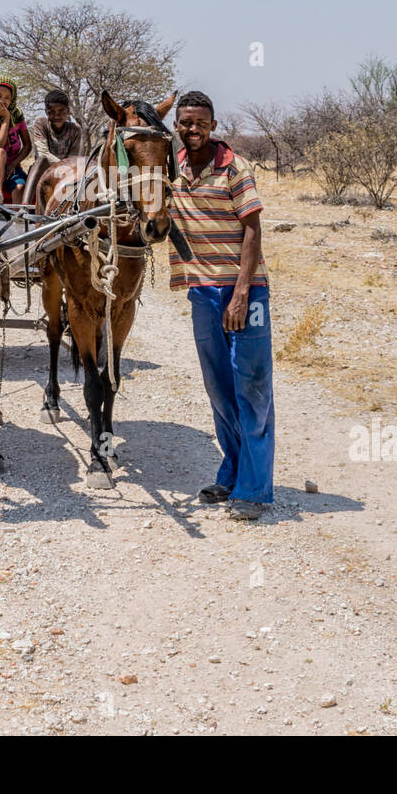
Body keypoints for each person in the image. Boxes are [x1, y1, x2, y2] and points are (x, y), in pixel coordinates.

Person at [167, 89, 275, 520]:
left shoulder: (235, 169)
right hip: (202, 292)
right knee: (219, 389)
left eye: (199, 122)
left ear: (212, 126)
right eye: (184, 122)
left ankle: (254, 490)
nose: (191, 129)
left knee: (251, 388)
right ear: (176, 125)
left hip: (244, 291)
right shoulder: (170, 169)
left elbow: (253, 230)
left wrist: (242, 292)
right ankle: (230, 473)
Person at [23, 89, 83, 206]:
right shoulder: (41, 124)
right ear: (46, 112)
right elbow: (42, 153)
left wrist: (66, 168)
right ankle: (24, 206)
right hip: (43, 171)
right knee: (41, 160)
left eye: (61, 111)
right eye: (52, 112)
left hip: (66, 172)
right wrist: (62, 165)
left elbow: (73, 159)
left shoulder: (75, 129)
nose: (57, 115)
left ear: (68, 111)